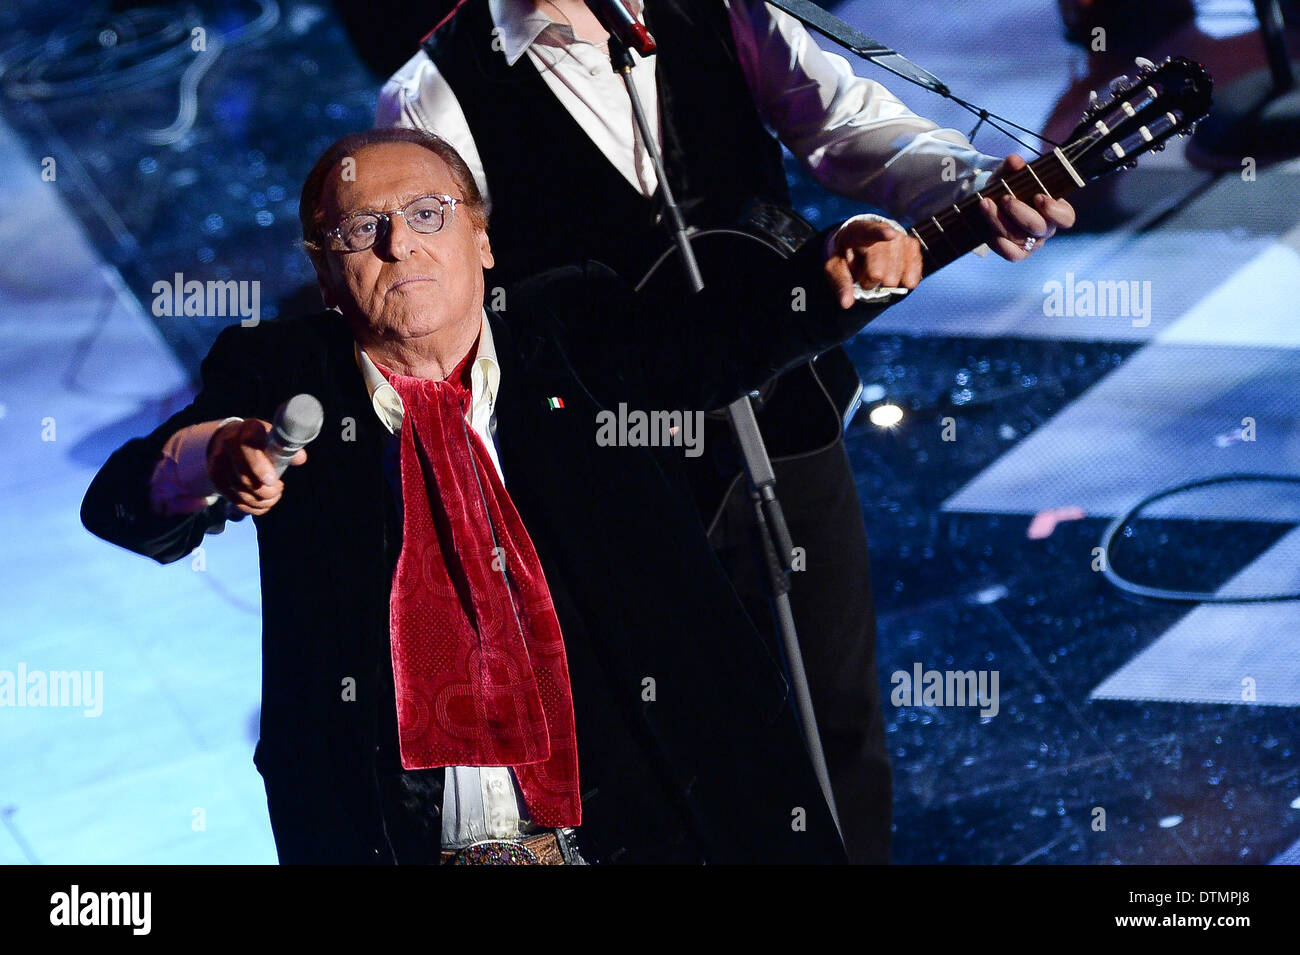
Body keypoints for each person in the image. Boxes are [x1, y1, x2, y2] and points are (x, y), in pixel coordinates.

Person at [80, 126, 941, 863]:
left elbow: (722, 342)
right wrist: (209, 455)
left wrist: (842, 274)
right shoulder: (278, 374)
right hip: (402, 834)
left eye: (427, 215)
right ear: (326, 270)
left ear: (481, 239)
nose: (399, 245)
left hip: (667, 809)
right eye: (359, 231)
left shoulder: (575, 328)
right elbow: (121, 500)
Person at [376, 0, 1076, 863]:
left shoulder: (724, 11)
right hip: (626, 478)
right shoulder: (435, 93)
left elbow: (846, 123)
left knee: (839, 713)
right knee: (701, 741)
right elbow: (452, 322)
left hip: (785, 413)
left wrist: (968, 183)